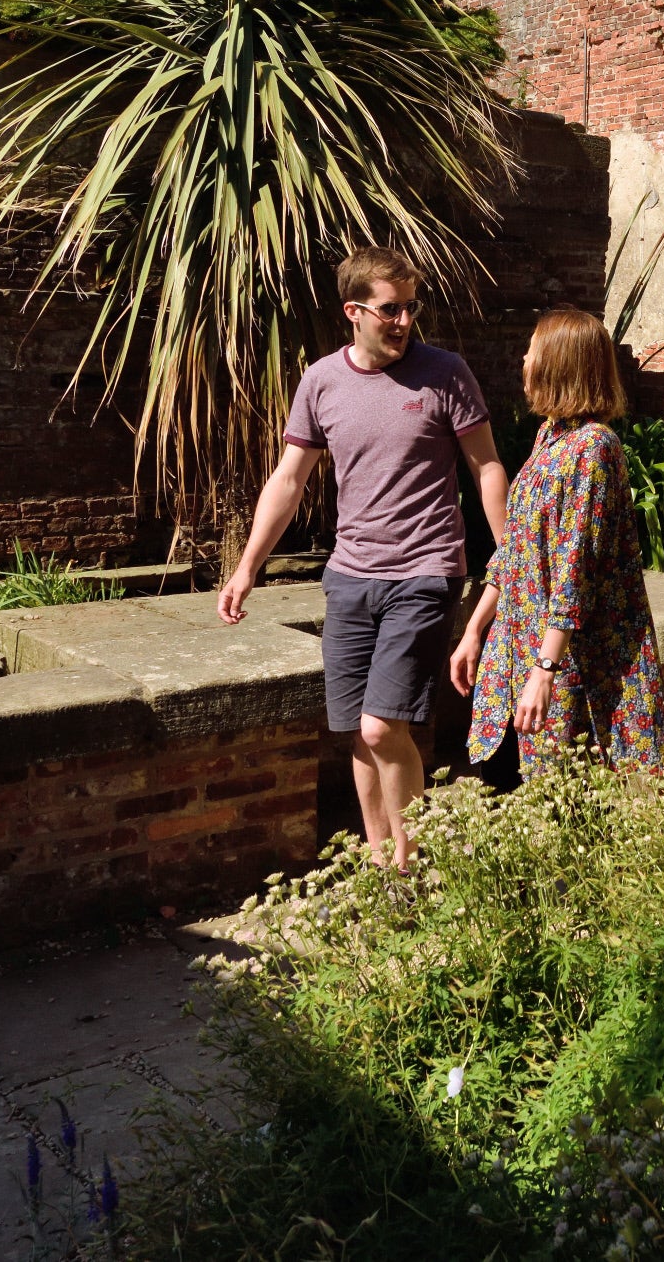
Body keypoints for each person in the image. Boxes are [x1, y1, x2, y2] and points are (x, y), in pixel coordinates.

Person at [218, 245, 508, 869]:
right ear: (354, 311)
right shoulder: (322, 381)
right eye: (390, 310)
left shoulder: (446, 372)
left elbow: (485, 466)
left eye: (410, 308)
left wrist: (508, 557)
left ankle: (415, 861)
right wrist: (248, 567)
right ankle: (382, 867)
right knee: (356, 728)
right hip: (349, 576)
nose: (404, 321)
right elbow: (289, 479)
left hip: (425, 570)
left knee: (383, 726)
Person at [450, 308, 664, 781]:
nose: (523, 360)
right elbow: (517, 550)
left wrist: (545, 669)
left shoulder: (594, 448)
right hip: (517, 648)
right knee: (508, 793)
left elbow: (575, 572)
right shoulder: (552, 437)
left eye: (532, 351)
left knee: (564, 808)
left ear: (558, 364)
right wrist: (474, 629)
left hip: (568, 666)